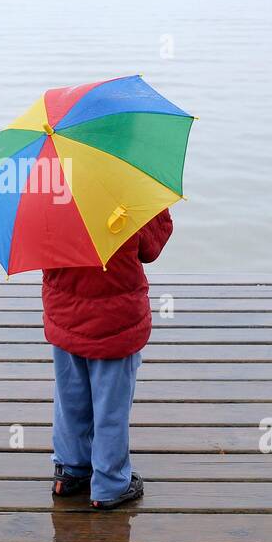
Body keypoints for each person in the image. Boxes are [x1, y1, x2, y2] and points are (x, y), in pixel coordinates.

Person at [41, 208, 174, 509]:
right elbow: (152, 247)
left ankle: (70, 471)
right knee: (110, 407)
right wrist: (155, 205)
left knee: (69, 398)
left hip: (66, 319)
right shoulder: (126, 192)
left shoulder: (44, 194)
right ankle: (109, 484)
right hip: (115, 324)